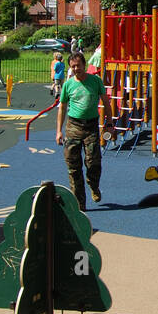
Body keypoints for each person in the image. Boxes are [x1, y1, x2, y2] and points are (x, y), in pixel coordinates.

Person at [55, 52, 113, 212]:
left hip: (91, 126)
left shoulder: (95, 81)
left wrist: (109, 122)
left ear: (84, 65)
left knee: (93, 161)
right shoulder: (68, 85)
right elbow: (62, 108)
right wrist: (59, 131)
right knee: (73, 165)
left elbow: (106, 102)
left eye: (78, 66)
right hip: (73, 126)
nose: (76, 69)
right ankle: (79, 203)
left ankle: (93, 185)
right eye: (73, 67)